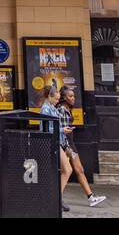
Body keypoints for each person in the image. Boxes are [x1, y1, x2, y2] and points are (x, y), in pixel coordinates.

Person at [58, 85, 104, 207]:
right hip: (67, 145)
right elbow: (63, 132)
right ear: (64, 97)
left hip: (69, 145)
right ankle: (58, 198)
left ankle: (90, 197)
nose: (73, 98)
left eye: (73, 96)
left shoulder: (66, 108)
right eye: (70, 96)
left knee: (77, 170)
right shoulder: (62, 110)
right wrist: (68, 149)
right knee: (71, 170)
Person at [38, 85, 74, 213]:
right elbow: (46, 129)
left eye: (58, 99)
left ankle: (56, 198)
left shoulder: (52, 107)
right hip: (51, 142)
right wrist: (62, 130)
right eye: (56, 99)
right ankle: (55, 198)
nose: (58, 101)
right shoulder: (45, 109)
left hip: (57, 142)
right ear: (49, 96)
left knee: (63, 171)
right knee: (67, 170)